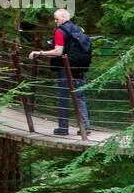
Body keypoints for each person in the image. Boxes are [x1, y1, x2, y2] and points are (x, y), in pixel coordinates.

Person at [28, 8, 91, 136]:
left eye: (56, 19)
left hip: (65, 68)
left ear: (62, 19)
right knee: (79, 97)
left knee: (63, 97)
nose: (55, 21)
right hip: (79, 67)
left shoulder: (60, 31)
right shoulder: (78, 29)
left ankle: (63, 128)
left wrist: (40, 53)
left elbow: (58, 51)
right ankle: (85, 126)